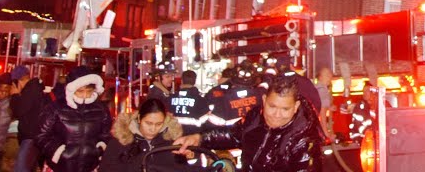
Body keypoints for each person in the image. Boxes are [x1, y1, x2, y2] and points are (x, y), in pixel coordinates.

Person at [176, 74, 326, 171]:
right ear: (264, 101)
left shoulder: (305, 140)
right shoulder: (255, 116)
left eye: (285, 109)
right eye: (272, 107)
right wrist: (198, 138)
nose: (277, 115)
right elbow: (234, 135)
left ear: (296, 107)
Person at [35, 65, 113, 172]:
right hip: (59, 167)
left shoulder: (101, 109)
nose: (85, 95)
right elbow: (41, 135)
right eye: (80, 91)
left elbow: (106, 134)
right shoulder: (55, 108)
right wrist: (57, 152)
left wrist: (99, 149)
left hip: (90, 166)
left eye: (89, 91)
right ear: (72, 89)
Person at [98, 97, 186, 172]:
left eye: (159, 124)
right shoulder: (120, 141)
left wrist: (188, 159)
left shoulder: (172, 143)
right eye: (148, 123)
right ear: (139, 119)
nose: (153, 129)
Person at [10, 65, 46, 172]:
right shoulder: (36, 89)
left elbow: (18, 111)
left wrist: (15, 95)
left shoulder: (30, 90)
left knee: (21, 169)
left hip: (30, 137)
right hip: (35, 137)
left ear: (18, 81)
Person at [167, 70, 205, 135]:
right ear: (195, 81)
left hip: (173, 134)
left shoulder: (170, 98)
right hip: (193, 135)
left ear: (181, 81)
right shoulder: (200, 100)